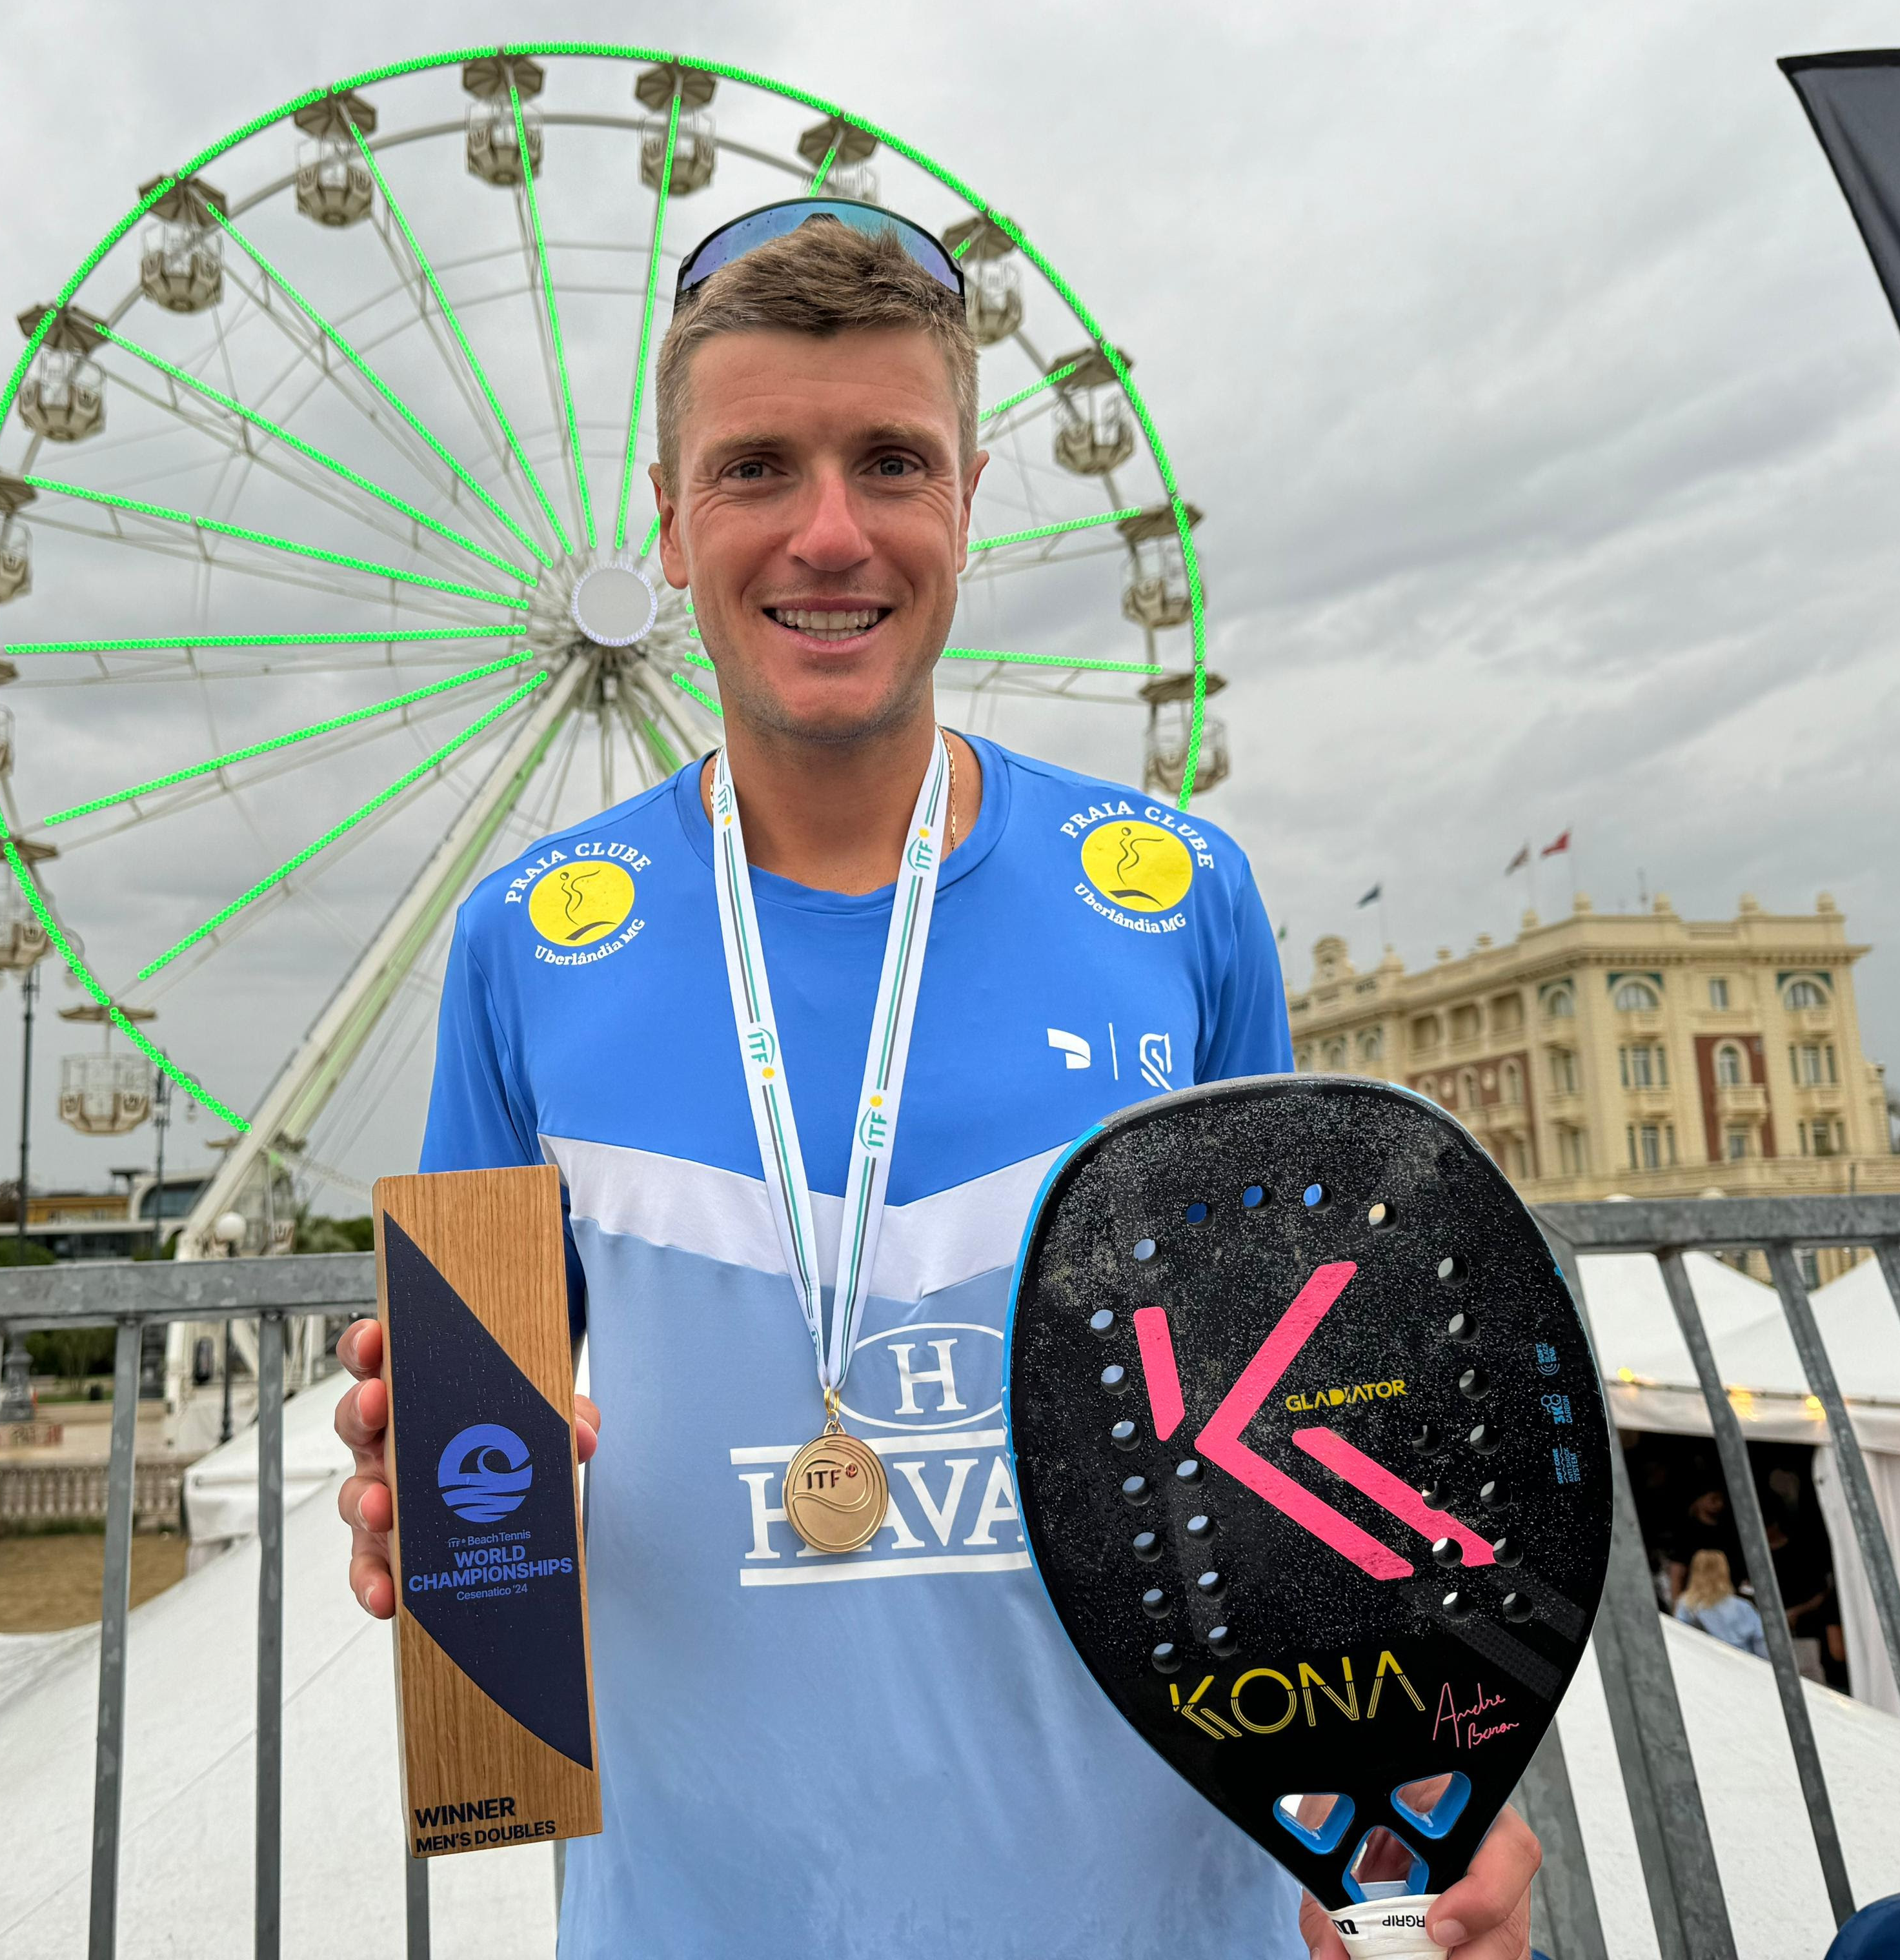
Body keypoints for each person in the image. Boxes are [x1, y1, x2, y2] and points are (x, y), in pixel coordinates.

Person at [333, 203, 1542, 1959]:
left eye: (890, 462)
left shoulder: (1179, 901)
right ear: (667, 524)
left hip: (1159, 1923)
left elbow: (1291, 1436)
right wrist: (426, 1484)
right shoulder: (526, 942)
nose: (829, 532)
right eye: (756, 468)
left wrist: (1419, 1782)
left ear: (969, 499)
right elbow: (478, 1460)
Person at [1673, 1548, 1768, 1657]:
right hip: (1743, 1661)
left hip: (1705, 1660)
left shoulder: (1686, 1605)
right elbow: (1761, 1643)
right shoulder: (1744, 1607)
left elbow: (1680, 1639)